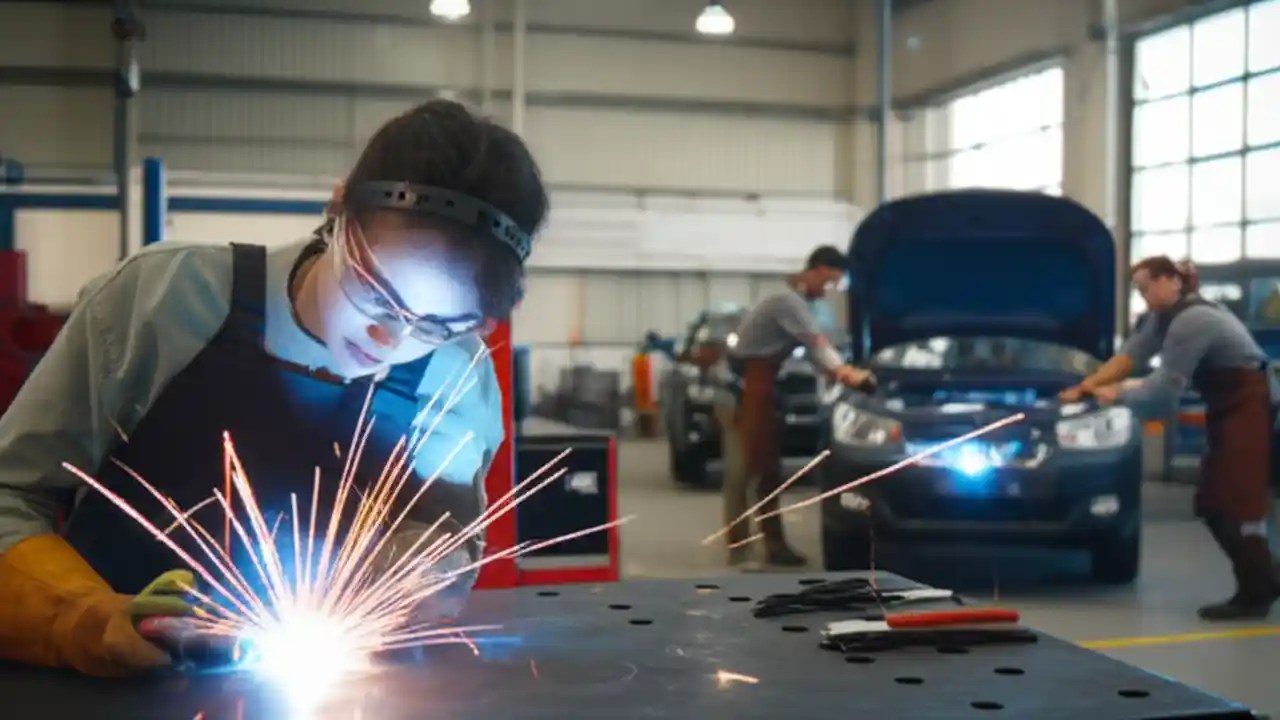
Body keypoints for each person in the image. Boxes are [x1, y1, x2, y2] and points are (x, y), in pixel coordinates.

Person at [0, 99, 549, 676]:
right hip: (97, 687)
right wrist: (84, 618)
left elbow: (443, 538)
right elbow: (10, 494)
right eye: (376, 289)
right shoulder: (164, 299)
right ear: (337, 209)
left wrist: (423, 567)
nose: (389, 336)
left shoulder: (452, 375)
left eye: (435, 324)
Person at [1060, 256, 1278, 620]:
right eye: (1138, 290)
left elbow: (1161, 397)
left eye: (1147, 287)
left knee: (1236, 500)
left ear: (1171, 281)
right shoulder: (1164, 318)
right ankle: (1266, 576)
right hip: (1228, 407)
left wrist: (1115, 393)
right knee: (1211, 501)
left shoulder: (1193, 320)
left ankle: (1257, 590)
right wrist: (1087, 385)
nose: (1143, 296)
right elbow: (1131, 355)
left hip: (1250, 404)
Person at [719, 246, 874, 567]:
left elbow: (816, 346)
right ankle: (740, 548)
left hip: (758, 385)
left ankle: (773, 545)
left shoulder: (796, 301)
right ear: (815, 270)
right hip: (742, 389)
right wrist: (846, 373)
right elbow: (817, 344)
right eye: (829, 283)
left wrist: (839, 370)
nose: (828, 291)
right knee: (744, 468)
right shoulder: (789, 302)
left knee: (767, 469)